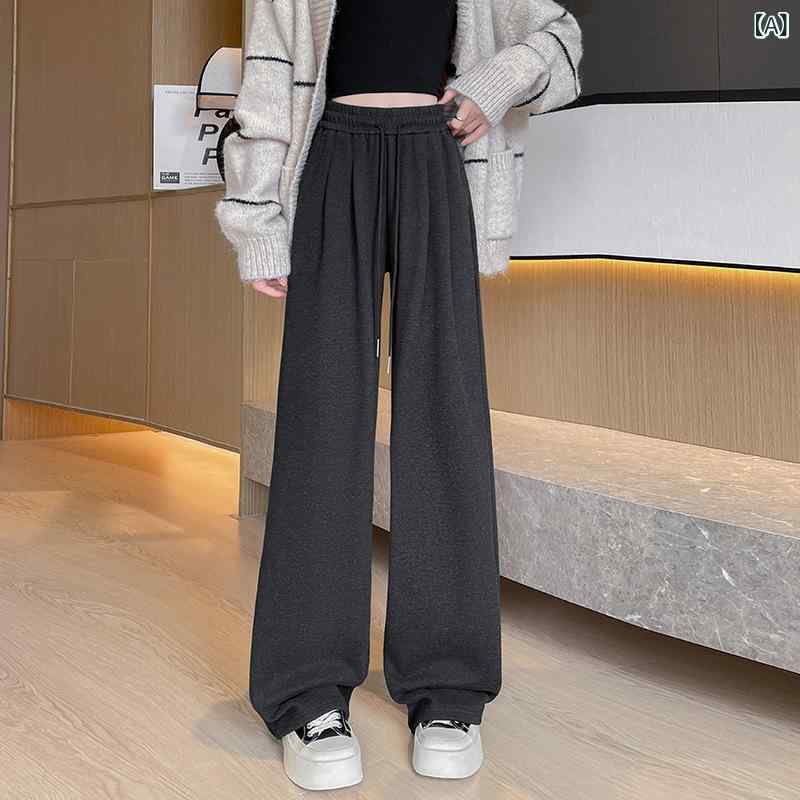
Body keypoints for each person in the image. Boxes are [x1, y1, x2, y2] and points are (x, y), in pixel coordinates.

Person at [215, 0, 583, 790]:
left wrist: (491, 84)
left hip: (436, 156)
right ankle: (308, 690)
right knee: (320, 422)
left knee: (447, 420)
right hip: (330, 157)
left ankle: (449, 688)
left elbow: (561, 41)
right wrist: (256, 220)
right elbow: (269, 79)